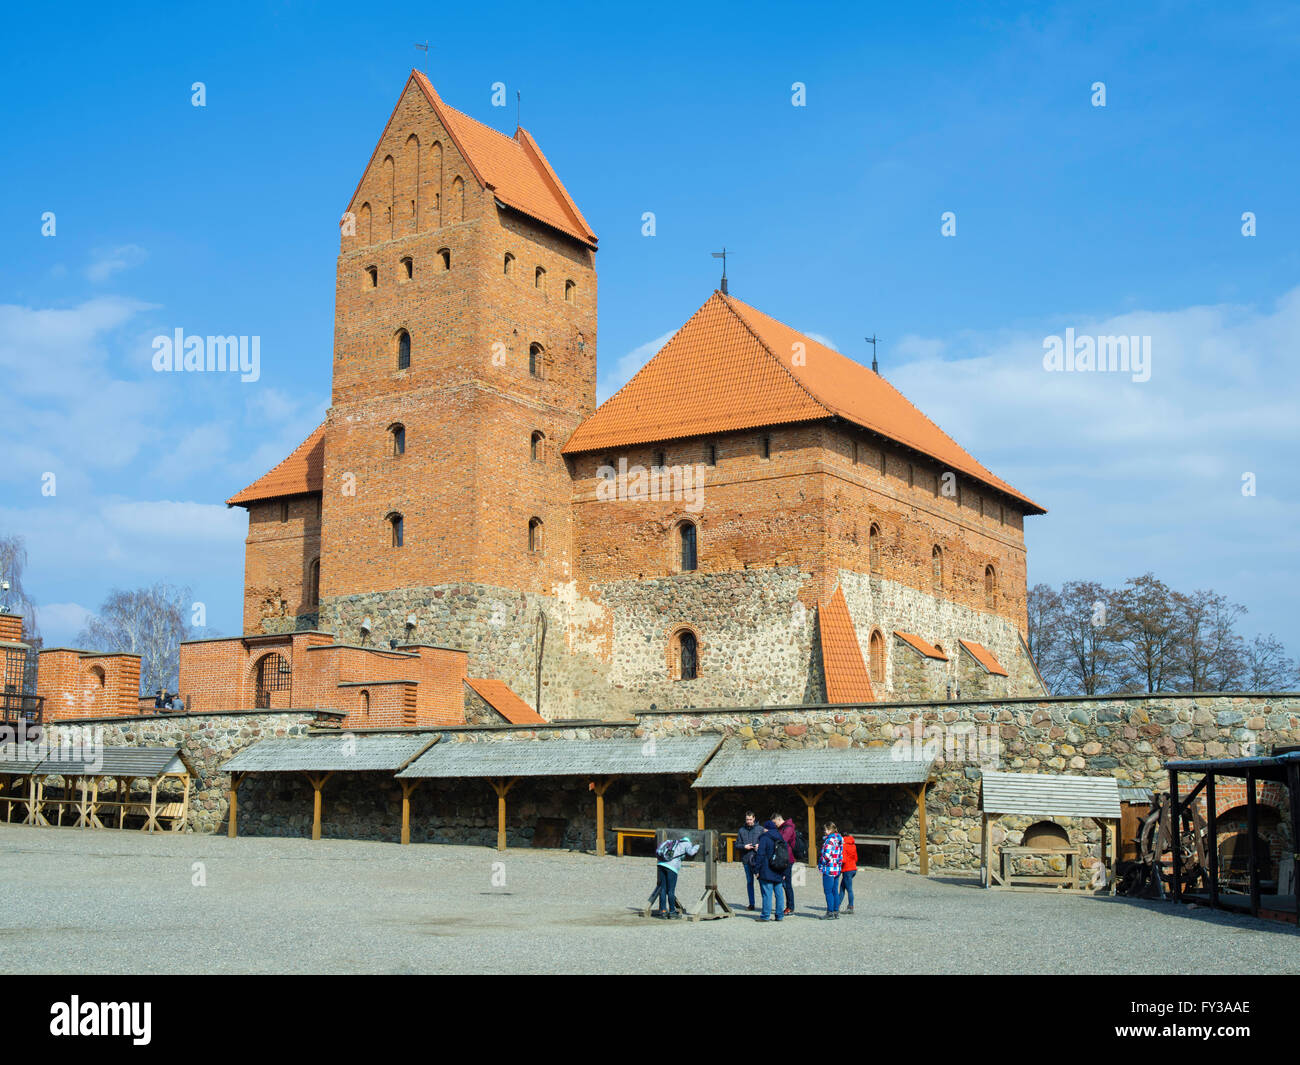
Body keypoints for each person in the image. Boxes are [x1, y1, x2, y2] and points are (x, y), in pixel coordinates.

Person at [652, 834, 700, 919]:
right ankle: (672, 912)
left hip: (661, 864)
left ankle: (663, 911)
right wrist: (697, 846)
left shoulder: (672, 842)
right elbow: (691, 852)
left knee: (663, 889)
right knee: (671, 890)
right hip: (672, 867)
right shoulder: (687, 843)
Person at [754, 819, 788, 921]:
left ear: (766, 828)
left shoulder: (764, 838)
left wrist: (756, 869)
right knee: (779, 894)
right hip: (778, 869)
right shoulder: (781, 838)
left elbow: (760, 855)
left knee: (767, 894)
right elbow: (785, 856)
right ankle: (779, 915)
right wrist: (784, 871)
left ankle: (765, 916)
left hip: (766, 869)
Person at [736, 811, 764, 911]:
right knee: (749, 882)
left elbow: (767, 842)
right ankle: (751, 904)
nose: (749, 821)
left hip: (758, 859)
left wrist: (759, 846)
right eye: (747, 819)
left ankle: (765, 904)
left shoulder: (760, 829)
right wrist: (744, 846)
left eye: (750, 819)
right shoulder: (741, 830)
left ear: (754, 818)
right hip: (746, 859)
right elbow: (737, 845)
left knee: (762, 882)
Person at [819, 821, 844, 919]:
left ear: (829, 830)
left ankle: (830, 912)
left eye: (825, 829)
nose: (824, 831)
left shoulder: (830, 840)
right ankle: (836, 911)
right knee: (834, 891)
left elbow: (826, 855)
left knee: (828, 891)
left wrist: (821, 862)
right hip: (837, 868)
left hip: (829, 868)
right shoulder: (839, 839)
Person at [774, 812, 797, 914]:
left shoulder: (788, 828)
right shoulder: (782, 828)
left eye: (775, 823)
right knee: (782, 883)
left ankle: (790, 907)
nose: (775, 825)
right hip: (782, 858)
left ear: (779, 819)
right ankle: (786, 906)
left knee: (787, 884)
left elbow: (782, 840)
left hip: (787, 859)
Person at [839, 823, 858, 915]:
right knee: (843, 887)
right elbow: (856, 858)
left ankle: (851, 907)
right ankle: (837, 905)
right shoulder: (853, 844)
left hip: (847, 869)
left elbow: (843, 860)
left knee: (848, 889)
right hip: (853, 868)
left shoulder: (843, 845)